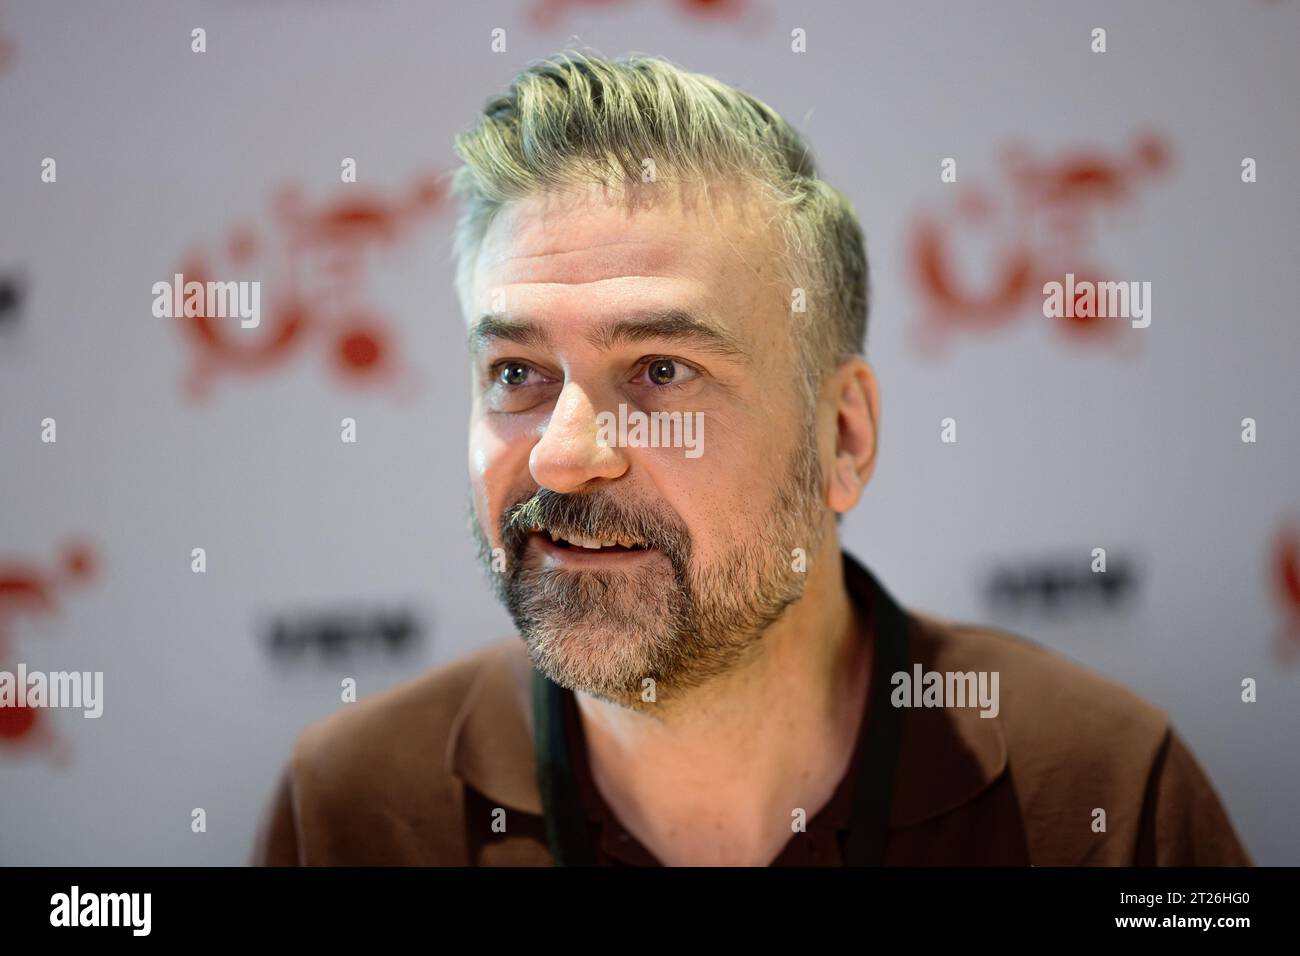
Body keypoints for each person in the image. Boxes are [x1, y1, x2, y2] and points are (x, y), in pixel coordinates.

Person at [252, 51, 1250, 867]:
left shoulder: (1102, 796)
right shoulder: (350, 810)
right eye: (515, 372)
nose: (563, 457)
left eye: (659, 369)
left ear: (842, 436)